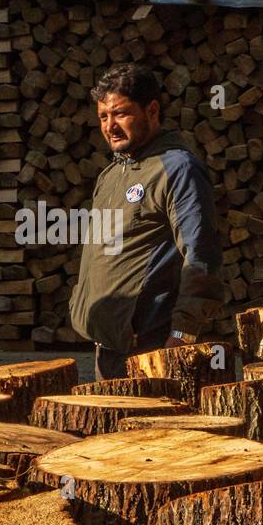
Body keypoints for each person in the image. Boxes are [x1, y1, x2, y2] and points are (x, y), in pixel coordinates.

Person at [69, 63, 225, 380]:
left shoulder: (178, 169)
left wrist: (183, 334)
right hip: (109, 344)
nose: (109, 126)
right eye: (103, 116)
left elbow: (201, 256)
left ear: (151, 110)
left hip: (152, 349)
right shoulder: (112, 174)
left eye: (120, 114)